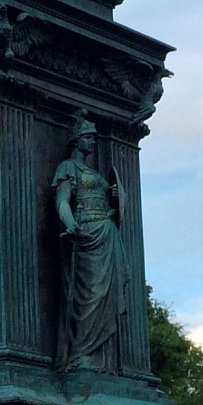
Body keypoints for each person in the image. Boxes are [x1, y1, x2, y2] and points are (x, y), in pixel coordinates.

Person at [51, 117, 127, 372]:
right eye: (88, 137)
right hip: (86, 235)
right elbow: (62, 199)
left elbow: (112, 204)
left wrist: (116, 200)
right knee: (89, 296)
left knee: (105, 294)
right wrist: (69, 222)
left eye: (94, 137)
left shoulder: (93, 173)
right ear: (76, 140)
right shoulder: (67, 167)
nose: (92, 141)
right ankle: (79, 353)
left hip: (106, 232)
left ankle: (99, 358)